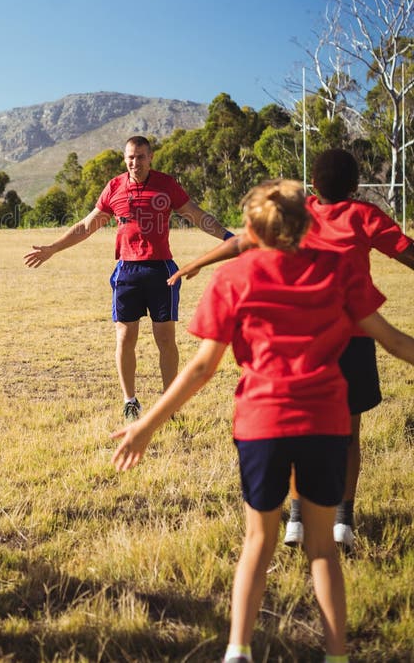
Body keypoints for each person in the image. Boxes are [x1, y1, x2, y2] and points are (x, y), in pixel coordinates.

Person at [112, 178, 414, 663]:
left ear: (252, 227)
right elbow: (395, 342)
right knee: (322, 549)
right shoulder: (338, 270)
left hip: (262, 425)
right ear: (307, 223)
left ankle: (238, 650)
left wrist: (145, 425)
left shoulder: (235, 278)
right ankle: (337, 653)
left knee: (258, 540)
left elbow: (201, 368)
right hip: (326, 424)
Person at [168, 148, 414, 551]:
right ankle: (342, 522)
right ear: (354, 187)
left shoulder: (299, 211)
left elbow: (243, 243)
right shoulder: (365, 215)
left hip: (304, 339)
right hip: (354, 335)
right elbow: (406, 253)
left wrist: (196, 263)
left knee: (301, 430)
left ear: (313, 184)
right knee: (347, 435)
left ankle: (297, 518)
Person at [24, 135, 233, 421]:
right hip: (127, 271)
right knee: (124, 337)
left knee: (165, 339)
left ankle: (168, 404)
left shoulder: (166, 185)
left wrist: (229, 238)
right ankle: (130, 401)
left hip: (161, 270)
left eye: (141, 157)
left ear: (151, 158)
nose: (135, 162)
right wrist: (52, 249)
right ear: (125, 159)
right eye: (130, 157)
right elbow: (86, 226)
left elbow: (196, 215)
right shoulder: (114, 187)